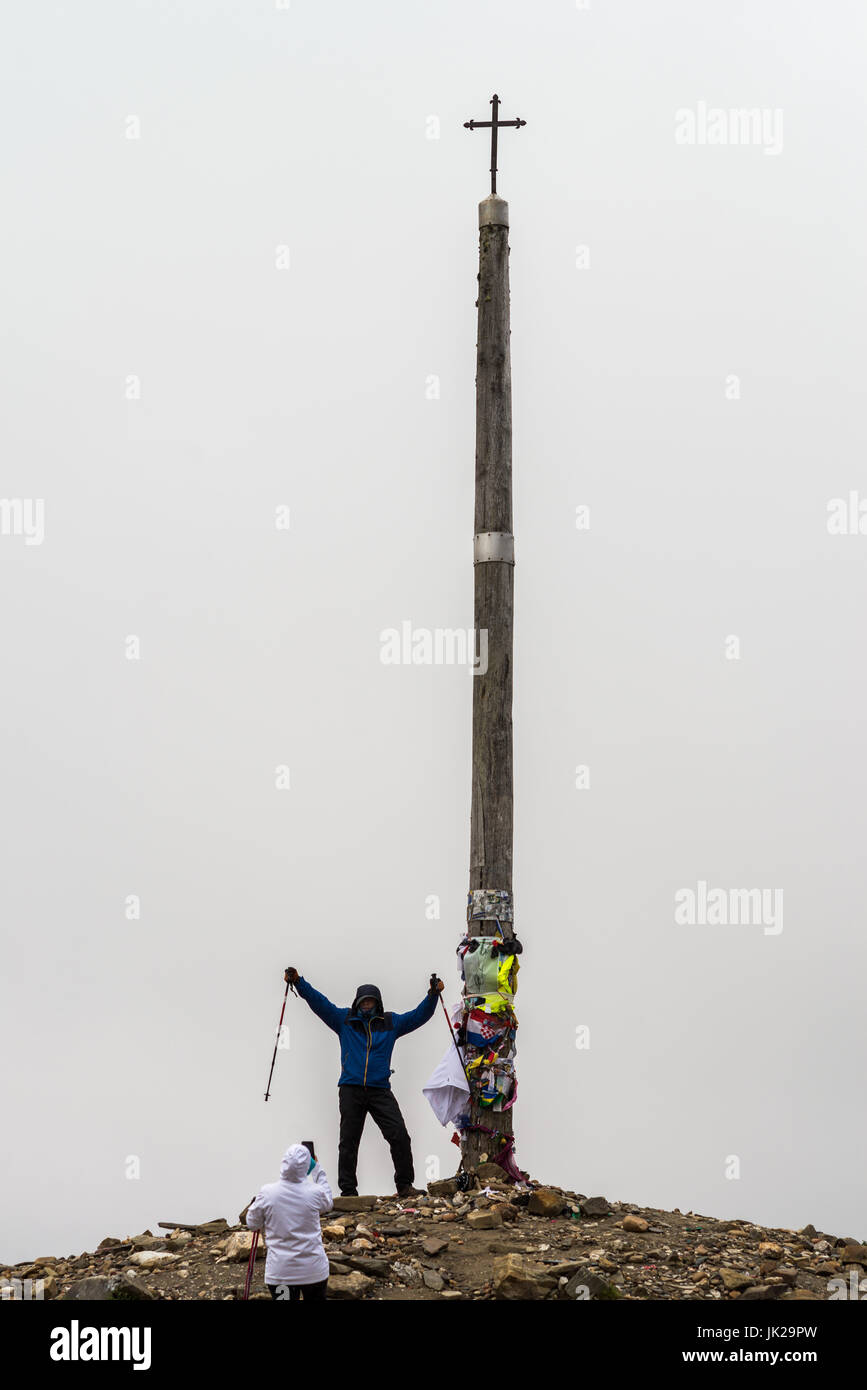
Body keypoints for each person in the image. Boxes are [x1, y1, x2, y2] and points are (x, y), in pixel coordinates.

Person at [285, 968, 444, 1198]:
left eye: (371, 1001)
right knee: (348, 1140)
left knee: (399, 1135)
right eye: (364, 1001)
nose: (367, 1004)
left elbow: (418, 1016)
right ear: (357, 1002)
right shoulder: (344, 1020)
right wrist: (299, 982)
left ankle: (405, 1185)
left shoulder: (391, 1022)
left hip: (380, 1089)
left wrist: (432, 996)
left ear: (377, 1003)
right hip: (351, 1089)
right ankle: (348, 1191)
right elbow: (319, 1003)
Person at [246, 1142, 333, 1300]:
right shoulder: (315, 1192)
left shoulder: (267, 1193)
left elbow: (252, 1223)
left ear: (284, 1163)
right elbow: (328, 1202)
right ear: (307, 1165)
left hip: (281, 1274)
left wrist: (255, 1207)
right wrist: (317, 1169)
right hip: (313, 1271)